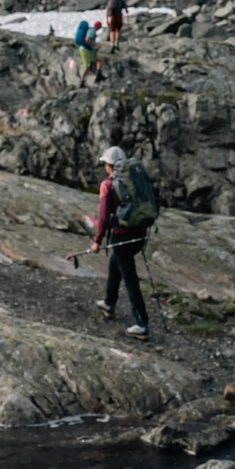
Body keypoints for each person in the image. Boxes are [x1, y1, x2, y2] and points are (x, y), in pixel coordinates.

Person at [91, 145, 150, 341]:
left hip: (121, 236)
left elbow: (103, 218)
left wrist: (97, 242)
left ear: (109, 166)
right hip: (140, 235)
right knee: (115, 262)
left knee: (130, 279)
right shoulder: (134, 180)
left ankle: (142, 324)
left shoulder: (107, 186)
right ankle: (109, 303)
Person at [79, 20, 105, 87]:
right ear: (97, 26)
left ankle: (99, 74)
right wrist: (95, 45)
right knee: (87, 66)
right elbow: (87, 39)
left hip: (89, 50)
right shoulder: (92, 31)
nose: (99, 28)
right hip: (86, 51)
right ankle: (82, 81)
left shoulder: (91, 31)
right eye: (99, 27)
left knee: (100, 59)